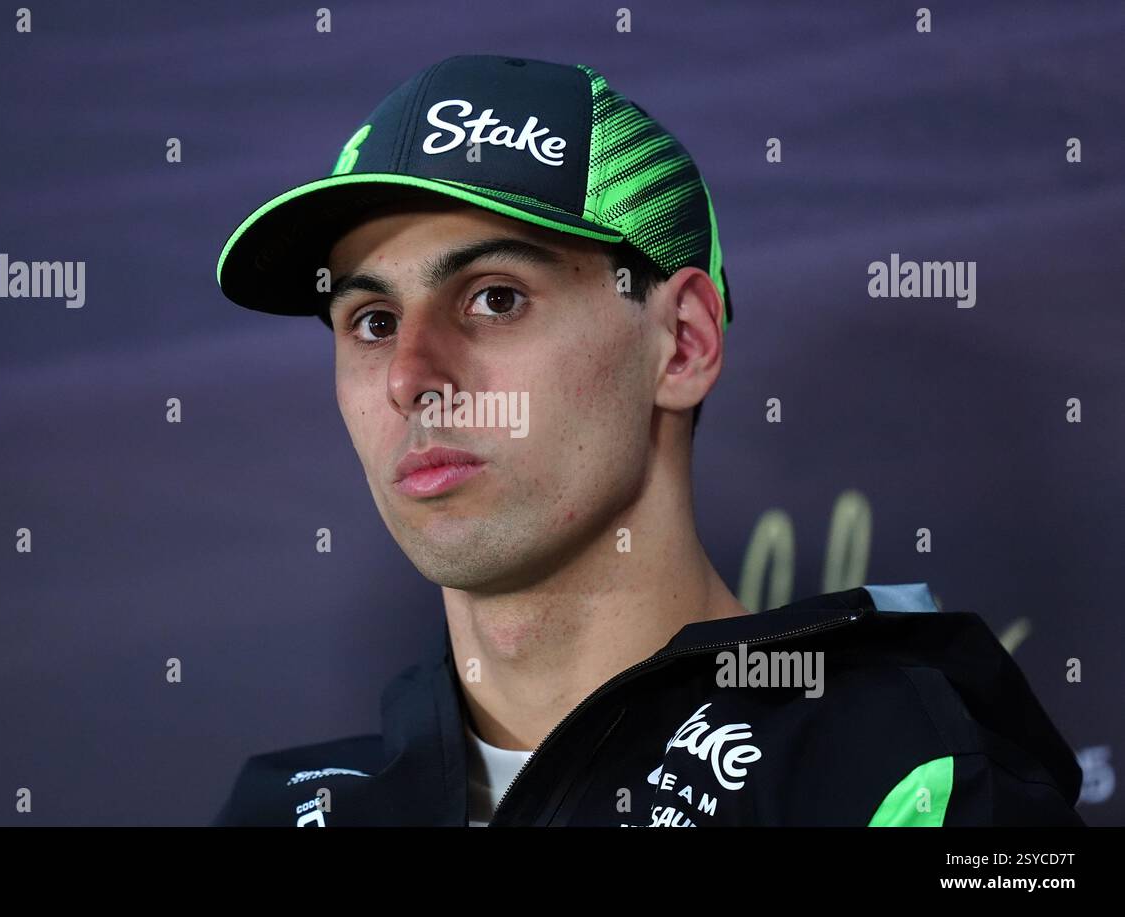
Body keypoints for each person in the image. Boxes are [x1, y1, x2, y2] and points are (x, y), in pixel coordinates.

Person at [209, 54, 1083, 826]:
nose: (409, 378)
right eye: (370, 320)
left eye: (496, 297)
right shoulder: (289, 808)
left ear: (684, 343)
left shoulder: (896, 773)